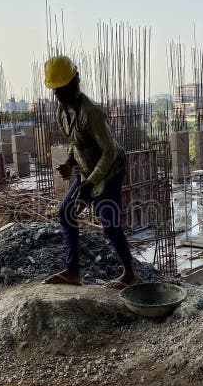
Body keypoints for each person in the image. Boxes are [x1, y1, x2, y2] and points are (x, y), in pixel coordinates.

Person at [41, 55, 139, 290]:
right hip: (86, 170)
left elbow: (109, 152)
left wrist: (91, 183)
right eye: (56, 92)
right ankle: (72, 271)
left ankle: (130, 274)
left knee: (109, 222)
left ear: (76, 82)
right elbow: (77, 144)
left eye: (64, 89)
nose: (60, 96)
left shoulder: (91, 113)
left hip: (110, 169)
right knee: (66, 213)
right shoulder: (62, 113)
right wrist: (68, 163)